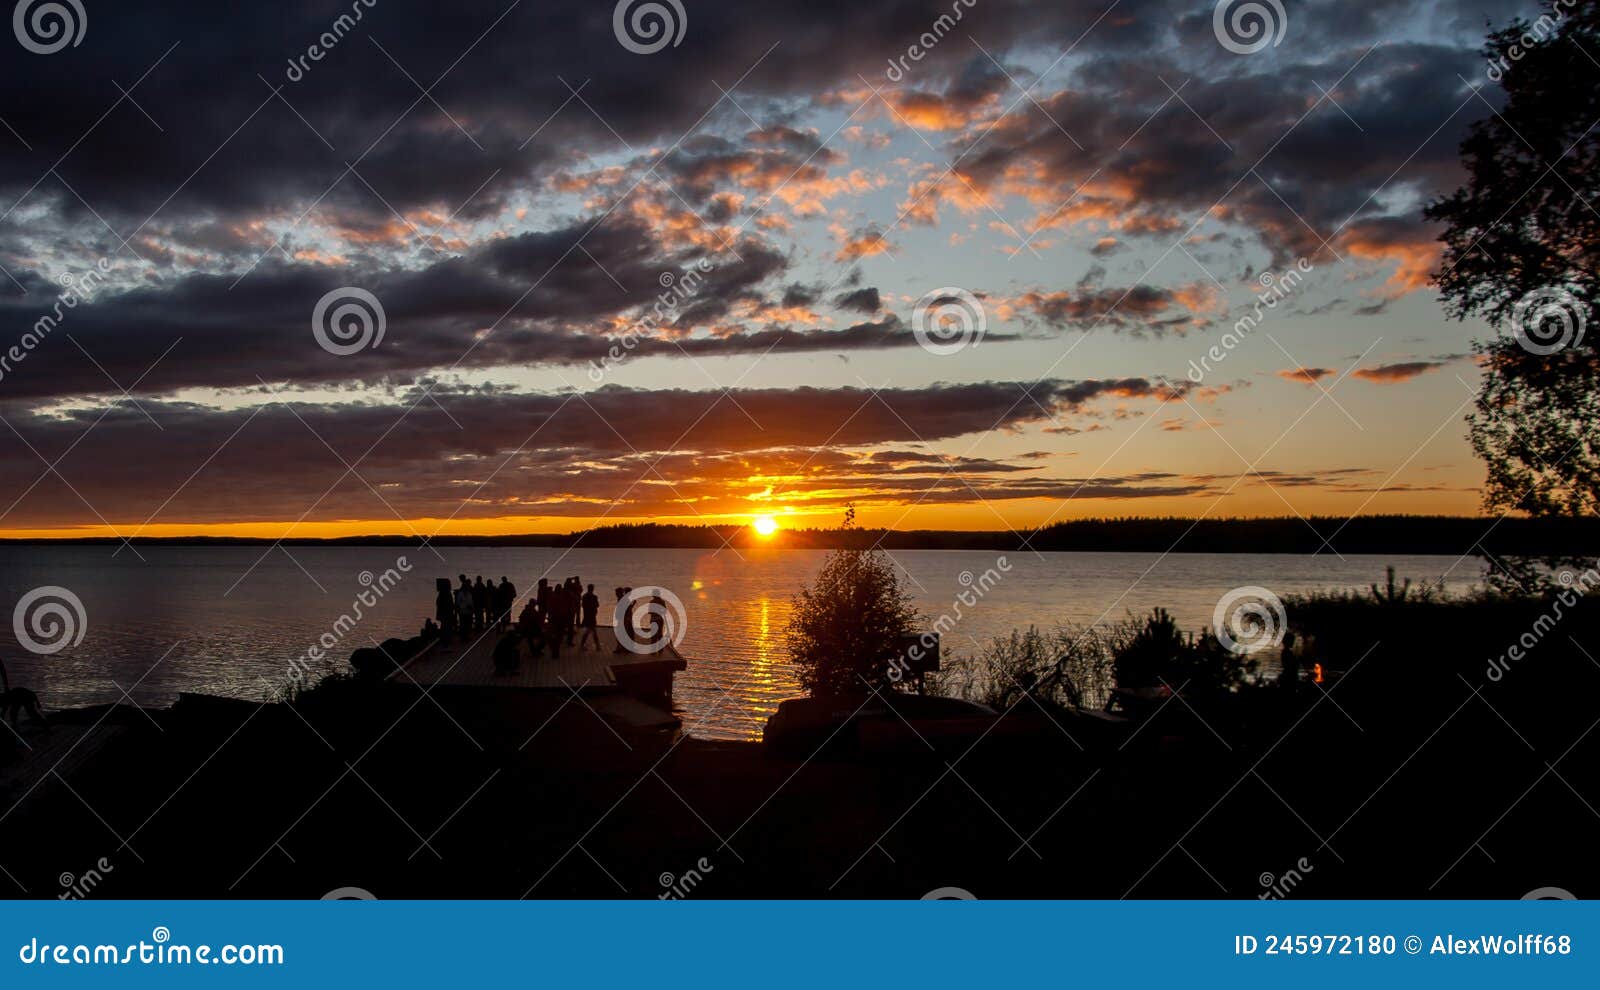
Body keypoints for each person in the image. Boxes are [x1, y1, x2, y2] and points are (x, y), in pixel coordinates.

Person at [578, 584, 601, 651]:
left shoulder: (584, 596)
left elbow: (583, 606)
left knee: (589, 630)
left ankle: (584, 644)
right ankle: (597, 645)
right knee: (592, 631)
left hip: (587, 615)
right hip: (591, 615)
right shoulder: (594, 597)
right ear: (592, 589)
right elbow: (597, 605)